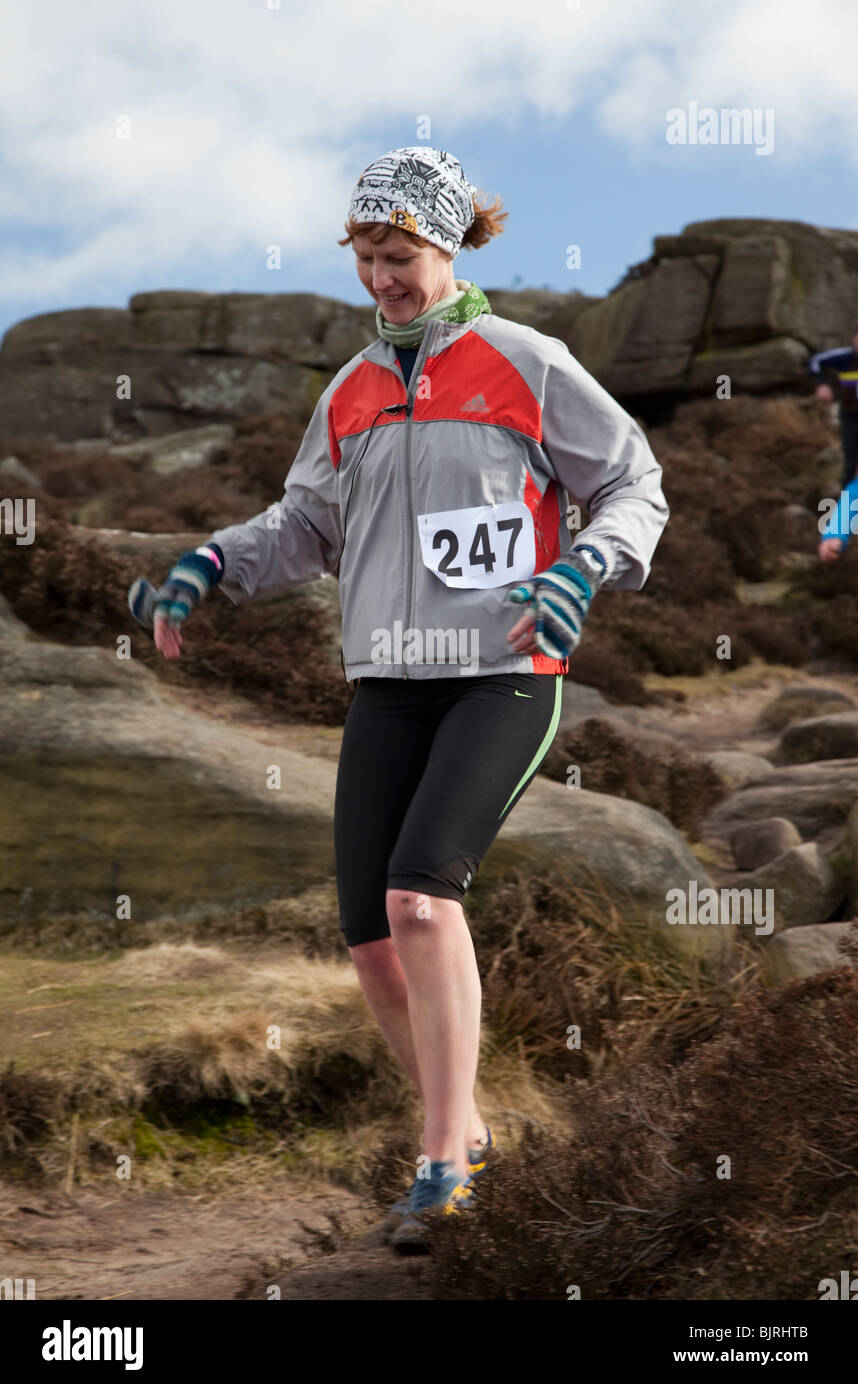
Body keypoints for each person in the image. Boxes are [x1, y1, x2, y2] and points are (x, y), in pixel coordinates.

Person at [128, 146, 669, 1254]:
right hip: (387, 679)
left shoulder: (528, 361)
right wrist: (212, 564)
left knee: (424, 903)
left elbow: (631, 482)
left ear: (451, 243)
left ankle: (438, 1167)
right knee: (372, 943)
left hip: (505, 674)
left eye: (403, 254)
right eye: (367, 256)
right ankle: (464, 1127)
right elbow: (303, 528)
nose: (382, 276)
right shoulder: (350, 392)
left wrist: (583, 568)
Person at [808, 324, 858, 490]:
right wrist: (822, 384)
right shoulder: (845, 357)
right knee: (850, 460)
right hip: (850, 415)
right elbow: (815, 361)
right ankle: (844, 509)